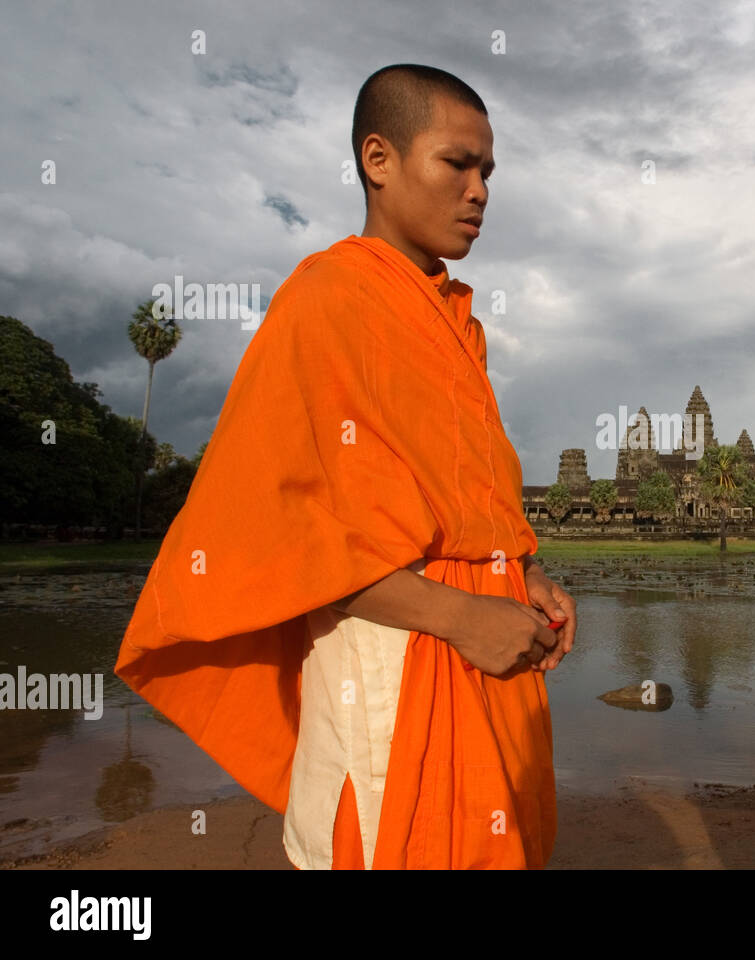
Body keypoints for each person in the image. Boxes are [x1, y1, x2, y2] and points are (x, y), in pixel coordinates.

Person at [115, 64, 576, 870]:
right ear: (378, 158)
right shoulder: (328, 298)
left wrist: (523, 568)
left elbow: (467, 490)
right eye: (457, 164)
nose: (479, 192)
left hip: (489, 638)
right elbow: (279, 531)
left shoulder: (453, 322)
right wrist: (459, 616)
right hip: (392, 649)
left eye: (488, 172)